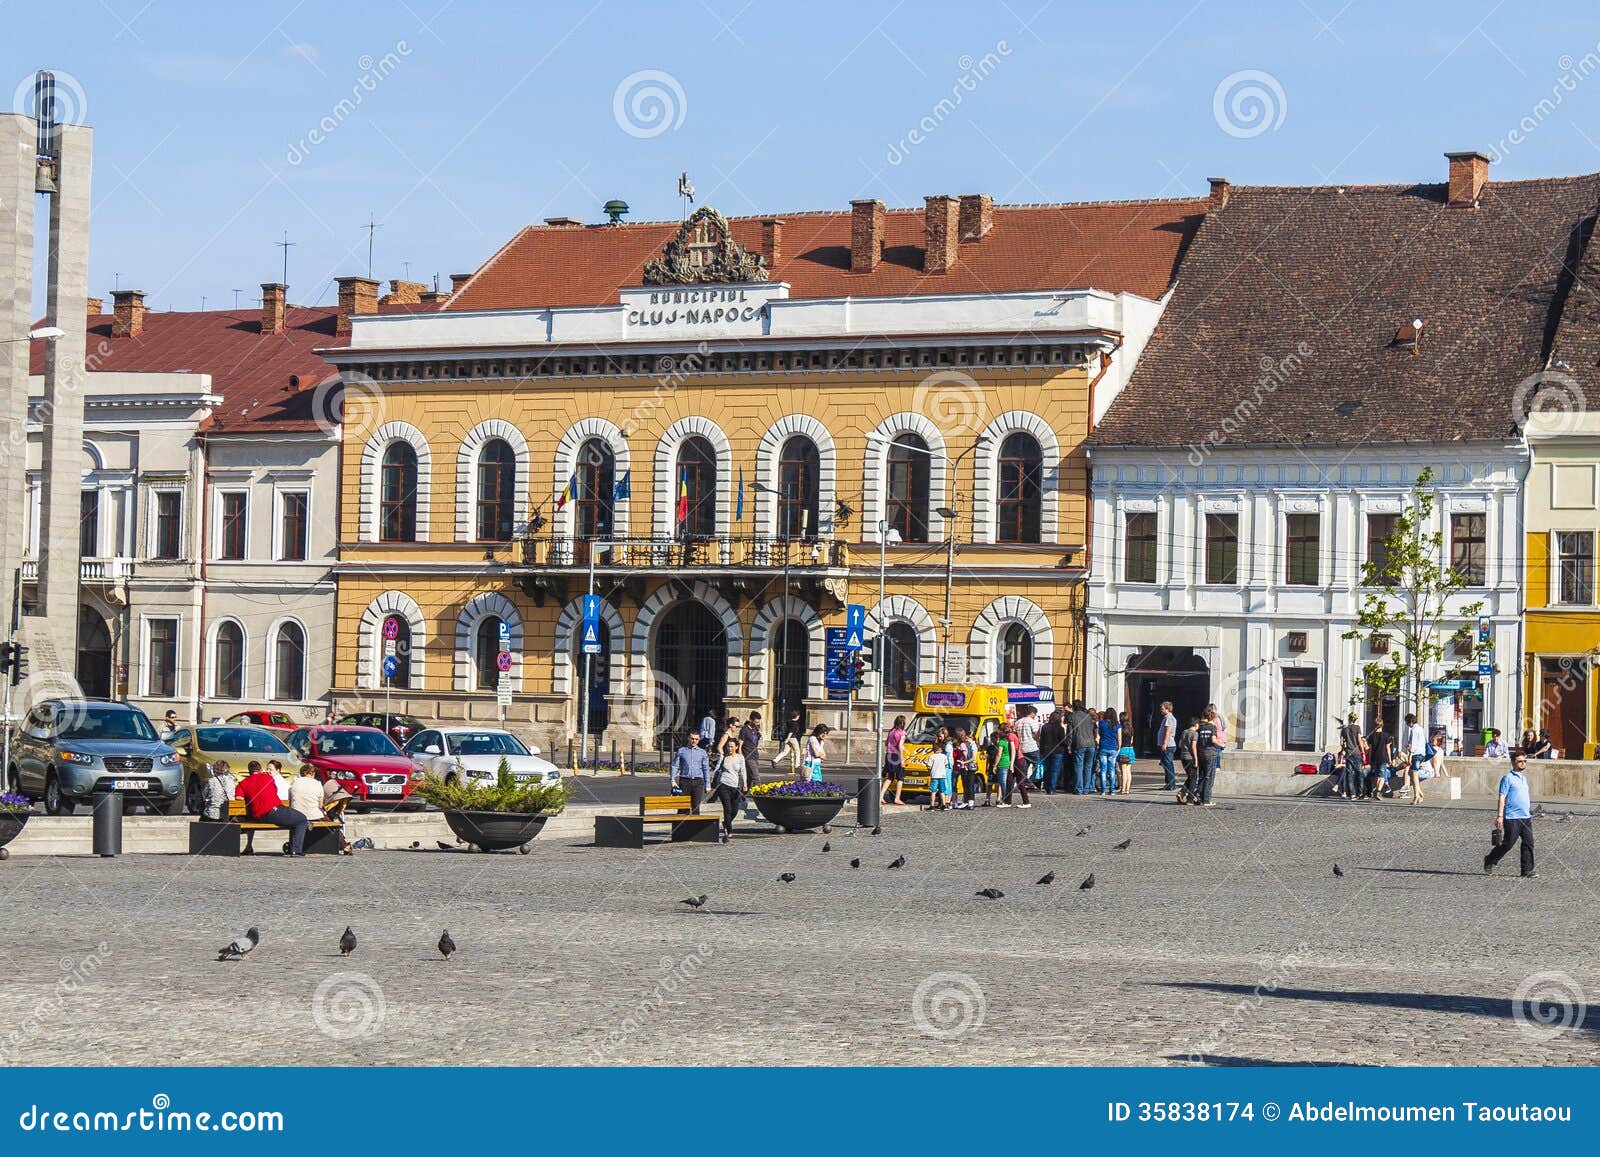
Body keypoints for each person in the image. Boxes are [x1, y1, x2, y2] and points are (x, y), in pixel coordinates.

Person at [234, 762, 309, 856]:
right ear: (260, 769)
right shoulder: (267, 777)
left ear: (249, 771)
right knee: (302, 819)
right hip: (273, 811)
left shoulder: (242, 783)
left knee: (294, 819)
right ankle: (296, 850)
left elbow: (239, 798)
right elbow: (274, 791)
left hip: (257, 816)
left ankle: (292, 847)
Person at [1484, 748, 1537, 878]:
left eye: (1525, 761)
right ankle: (1490, 859)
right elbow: (1502, 797)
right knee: (1508, 844)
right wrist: (1500, 816)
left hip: (1525, 817)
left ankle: (1527, 870)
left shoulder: (1523, 778)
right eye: (1520, 761)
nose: (1523, 763)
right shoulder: (1507, 778)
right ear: (1513, 762)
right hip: (1512, 817)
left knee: (1529, 843)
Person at [712, 737, 746, 840]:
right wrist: (712, 780)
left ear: (736, 747)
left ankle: (726, 823)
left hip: (735, 787)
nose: (729, 748)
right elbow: (717, 769)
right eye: (728, 746)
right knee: (727, 809)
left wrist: (745, 783)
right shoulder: (723, 757)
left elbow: (743, 771)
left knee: (735, 810)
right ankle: (729, 831)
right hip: (723, 785)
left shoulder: (740, 758)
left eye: (732, 746)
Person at [671, 731, 711, 814]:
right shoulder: (681, 751)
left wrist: (707, 784)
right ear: (688, 738)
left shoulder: (702, 753)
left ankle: (694, 823)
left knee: (696, 807)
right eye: (692, 739)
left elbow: (706, 769)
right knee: (683, 807)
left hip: (698, 782)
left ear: (699, 740)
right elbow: (675, 766)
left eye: (696, 739)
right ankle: (681, 823)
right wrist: (672, 780)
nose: (694, 741)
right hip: (685, 781)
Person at [1190, 707, 1222, 807]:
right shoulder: (1212, 727)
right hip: (1210, 753)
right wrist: (1222, 744)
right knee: (1209, 777)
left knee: (1202, 776)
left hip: (1201, 753)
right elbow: (1213, 740)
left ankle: (1199, 796)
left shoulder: (1200, 727)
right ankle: (1206, 800)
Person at [1068, 700, 1096, 794]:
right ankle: (1086, 789)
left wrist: (1069, 745)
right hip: (1091, 744)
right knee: (1088, 767)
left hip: (1079, 744)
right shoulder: (1088, 716)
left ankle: (1079, 789)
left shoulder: (1072, 716)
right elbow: (1093, 730)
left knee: (1079, 766)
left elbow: (1070, 733)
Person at [1338, 713, 1367, 800]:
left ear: (1349, 719)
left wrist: (1344, 748)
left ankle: (1352, 794)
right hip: (1356, 753)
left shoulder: (1344, 729)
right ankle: (1360, 793)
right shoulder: (1357, 728)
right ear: (1355, 719)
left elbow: (1341, 743)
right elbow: (1359, 741)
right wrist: (1363, 752)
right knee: (1359, 773)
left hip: (1348, 753)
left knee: (1350, 774)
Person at [1002, 722, 1032, 808]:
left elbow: (1013, 750)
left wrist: (1011, 764)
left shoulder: (1010, 736)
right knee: (1009, 781)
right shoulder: (1010, 736)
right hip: (1015, 760)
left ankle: (1026, 802)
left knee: (1020, 782)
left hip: (1018, 760)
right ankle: (1007, 802)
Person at [1039, 709, 1067, 794]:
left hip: (1046, 750)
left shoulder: (1044, 727)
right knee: (1054, 770)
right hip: (1057, 751)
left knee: (1047, 769)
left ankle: (1047, 787)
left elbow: (1042, 740)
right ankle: (1052, 788)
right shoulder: (1060, 728)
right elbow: (1063, 741)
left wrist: (1041, 751)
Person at [1366, 719, 1395, 799]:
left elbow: (1370, 749)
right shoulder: (1386, 736)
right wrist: (1390, 759)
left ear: (1374, 725)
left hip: (1374, 758)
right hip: (1383, 757)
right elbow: (1388, 748)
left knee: (1376, 775)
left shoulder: (1371, 736)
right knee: (1382, 776)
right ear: (1382, 725)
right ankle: (1378, 791)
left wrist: (1369, 759)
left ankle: (1376, 789)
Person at [882, 715, 907, 806]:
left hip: (888, 755)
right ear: (902, 723)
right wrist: (902, 760)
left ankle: (881, 796)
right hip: (896, 756)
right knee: (900, 778)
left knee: (890, 777)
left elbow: (886, 743)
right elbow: (900, 746)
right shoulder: (902, 733)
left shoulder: (891, 731)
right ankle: (897, 798)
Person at [1403, 712, 1428, 801]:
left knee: (1414, 775)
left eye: (1407, 723)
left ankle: (1416, 795)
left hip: (1416, 754)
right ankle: (1419, 793)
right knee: (1411, 773)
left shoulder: (1414, 730)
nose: (1407, 725)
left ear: (1410, 722)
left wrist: (1410, 753)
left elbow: (1413, 745)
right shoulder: (1421, 729)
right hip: (1422, 753)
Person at [951, 727, 978, 810]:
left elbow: (973, 758)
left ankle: (971, 802)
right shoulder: (969, 745)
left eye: (967, 738)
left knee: (970, 785)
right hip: (967, 766)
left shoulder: (973, 745)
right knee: (966, 784)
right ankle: (967, 801)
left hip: (971, 766)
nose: (965, 739)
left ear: (970, 738)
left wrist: (964, 763)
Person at [1015, 706, 1042, 785]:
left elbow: (1016, 734)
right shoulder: (1032, 722)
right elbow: (1036, 735)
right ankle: (1032, 780)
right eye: (1035, 714)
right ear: (1032, 713)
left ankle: (1023, 782)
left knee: (1024, 767)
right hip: (1032, 747)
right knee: (1037, 765)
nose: (1035, 716)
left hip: (1022, 748)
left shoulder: (1018, 722)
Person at [1156, 700, 1179, 793]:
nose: (1161, 710)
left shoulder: (1169, 718)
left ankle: (1171, 784)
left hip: (1168, 745)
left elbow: (1168, 731)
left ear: (1167, 709)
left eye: (1162, 708)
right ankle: (1169, 784)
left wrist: (1164, 743)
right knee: (1166, 764)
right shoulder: (1166, 718)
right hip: (1167, 745)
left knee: (1168, 764)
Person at [1096, 709, 1120, 795]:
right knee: (1112, 769)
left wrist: (1099, 743)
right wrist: (1119, 748)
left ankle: (1103, 790)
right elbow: (1119, 738)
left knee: (1103, 769)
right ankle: (1112, 790)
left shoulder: (1101, 723)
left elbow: (1098, 735)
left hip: (1103, 747)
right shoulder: (1117, 725)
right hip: (1113, 748)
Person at [1176, 716, 1199, 804]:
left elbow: (1179, 744)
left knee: (1190, 776)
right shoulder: (1194, 734)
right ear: (1196, 724)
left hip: (1183, 757)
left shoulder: (1184, 732)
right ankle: (1190, 798)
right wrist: (1196, 759)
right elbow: (1193, 747)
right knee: (1193, 778)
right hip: (1190, 757)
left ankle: (1182, 792)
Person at [926, 735, 952, 811]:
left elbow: (929, 766)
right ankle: (944, 805)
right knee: (942, 791)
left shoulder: (932, 757)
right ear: (940, 749)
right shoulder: (944, 756)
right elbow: (946, 764)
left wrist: (929, 772)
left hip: (934, 776)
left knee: (933, 791)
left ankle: (932, 806)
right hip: (942, 776)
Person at [738, 713, 763, 787]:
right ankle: (759, 791)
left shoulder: (756, 729)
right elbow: (740, 745)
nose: (757, 724)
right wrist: (741, 757)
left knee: (749, 777)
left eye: (759, 722)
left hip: (755, 755)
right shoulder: (744, 730)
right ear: (751, 720)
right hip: (748, 755)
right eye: (756, 722)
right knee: (756, 777)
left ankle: (744, 792)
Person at [1117, 711, 1136, 794]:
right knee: (1128, 771)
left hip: (1123, 749)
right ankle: (1127, 789)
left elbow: (1119, 741)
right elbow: (1131, 741)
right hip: (1130, 749)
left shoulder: (1120, 729)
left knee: (1123, 772)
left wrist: (1118, 750)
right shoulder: (1131, 728)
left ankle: (1123, 789)